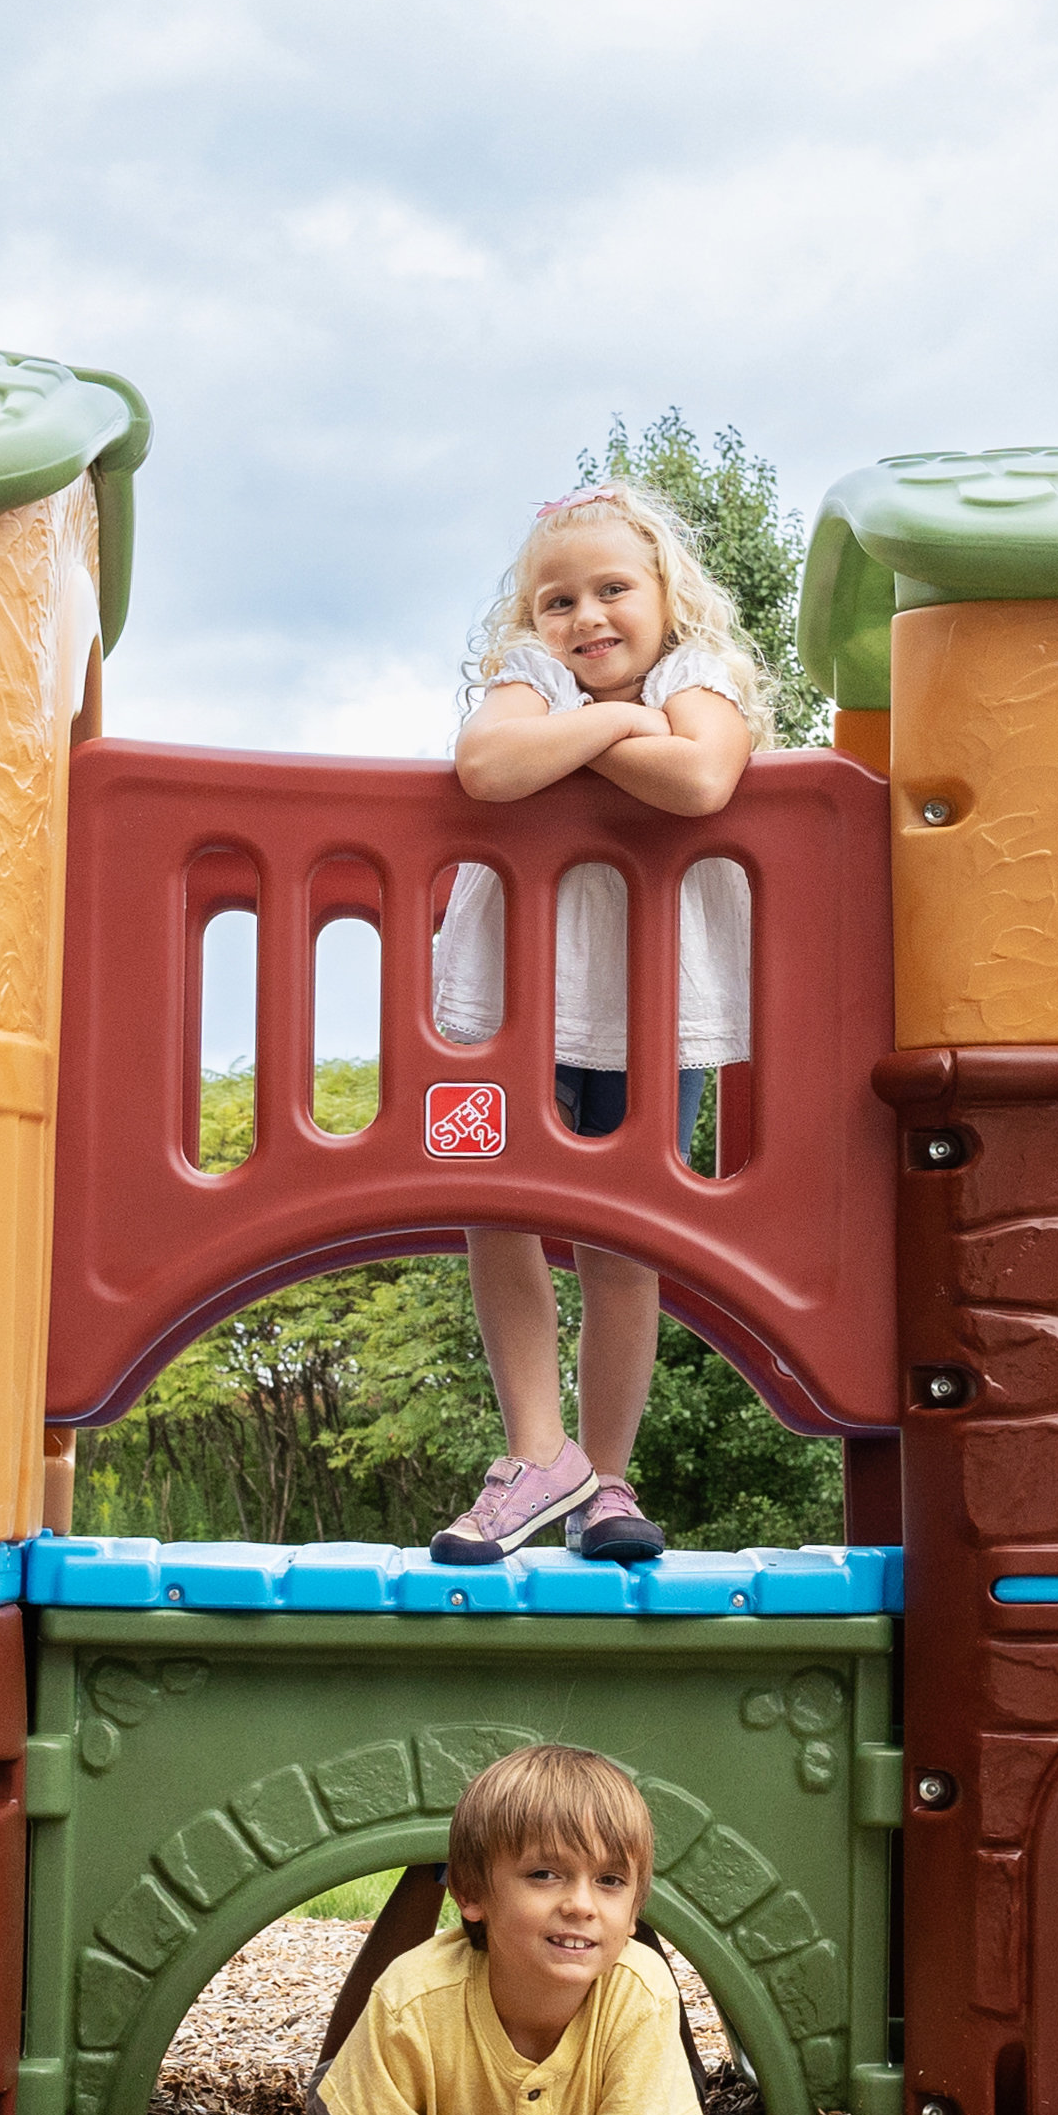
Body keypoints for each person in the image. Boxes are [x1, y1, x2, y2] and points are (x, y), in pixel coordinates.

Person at [427, 481, 767, 1565]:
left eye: (613, 589)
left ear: (668, 595)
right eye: (557, 600)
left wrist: (576, 739)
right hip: (510, 1003)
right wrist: (618, 722)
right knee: (496, 1212)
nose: (586, 617)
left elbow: (700, 774)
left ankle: (604, 1477)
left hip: (649, 1009)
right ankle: (539, 1451)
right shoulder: (529, 677)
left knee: (623, 1237)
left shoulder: (695, 676)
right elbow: (488, 765)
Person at [319, 1744, 702, 2115]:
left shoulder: (639, 1991)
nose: (581, 1905)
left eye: (610, 1881)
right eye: (544, 1874)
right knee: (329, 2105)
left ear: (635, 1912)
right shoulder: (413, 2000)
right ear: (471, 1892)